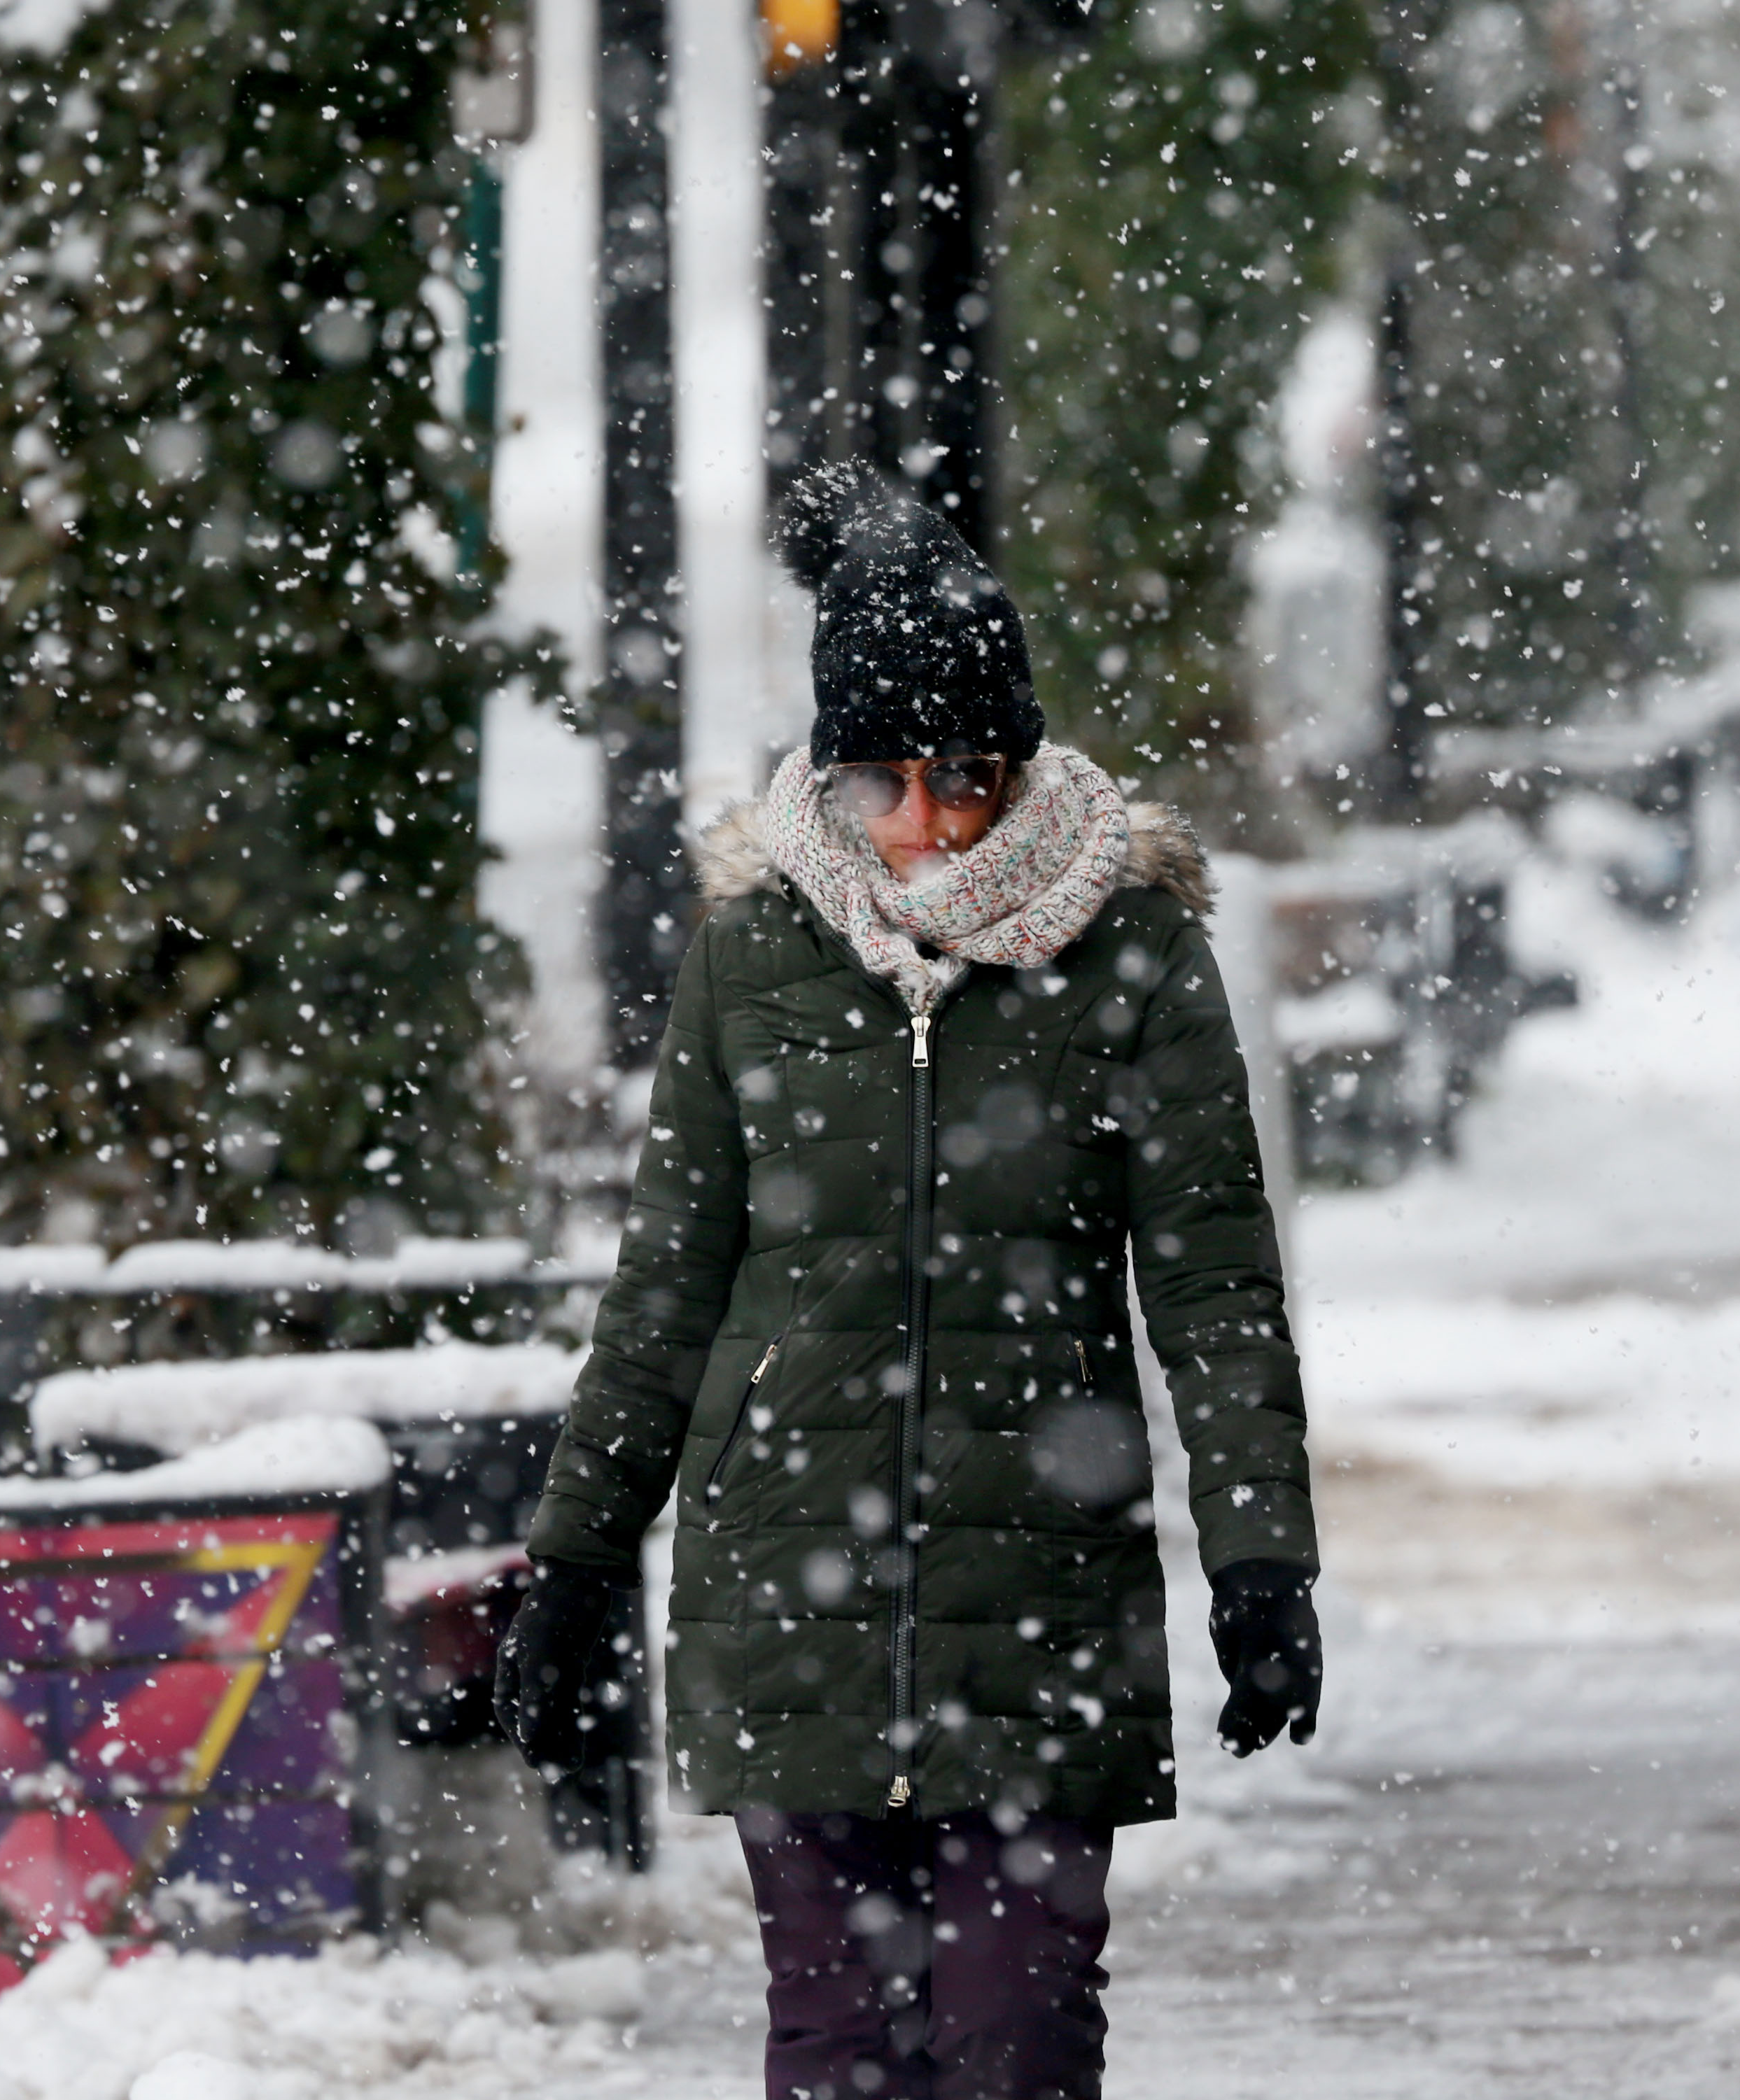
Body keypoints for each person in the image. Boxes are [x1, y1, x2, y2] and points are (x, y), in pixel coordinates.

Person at [493, 459, 1323, 2100]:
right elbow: (667, 1276)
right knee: (839, 2048)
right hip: (783, 1577)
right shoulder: (752, 950)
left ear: (1015, 760)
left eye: (965, 775)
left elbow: (1213, 1283)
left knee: (1015, 2041)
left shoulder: (1130, 951)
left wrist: (1258, 1560)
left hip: (1036, 1593)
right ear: (830, 767)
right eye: (883, 780)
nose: (928, 823)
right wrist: (577, 1551)